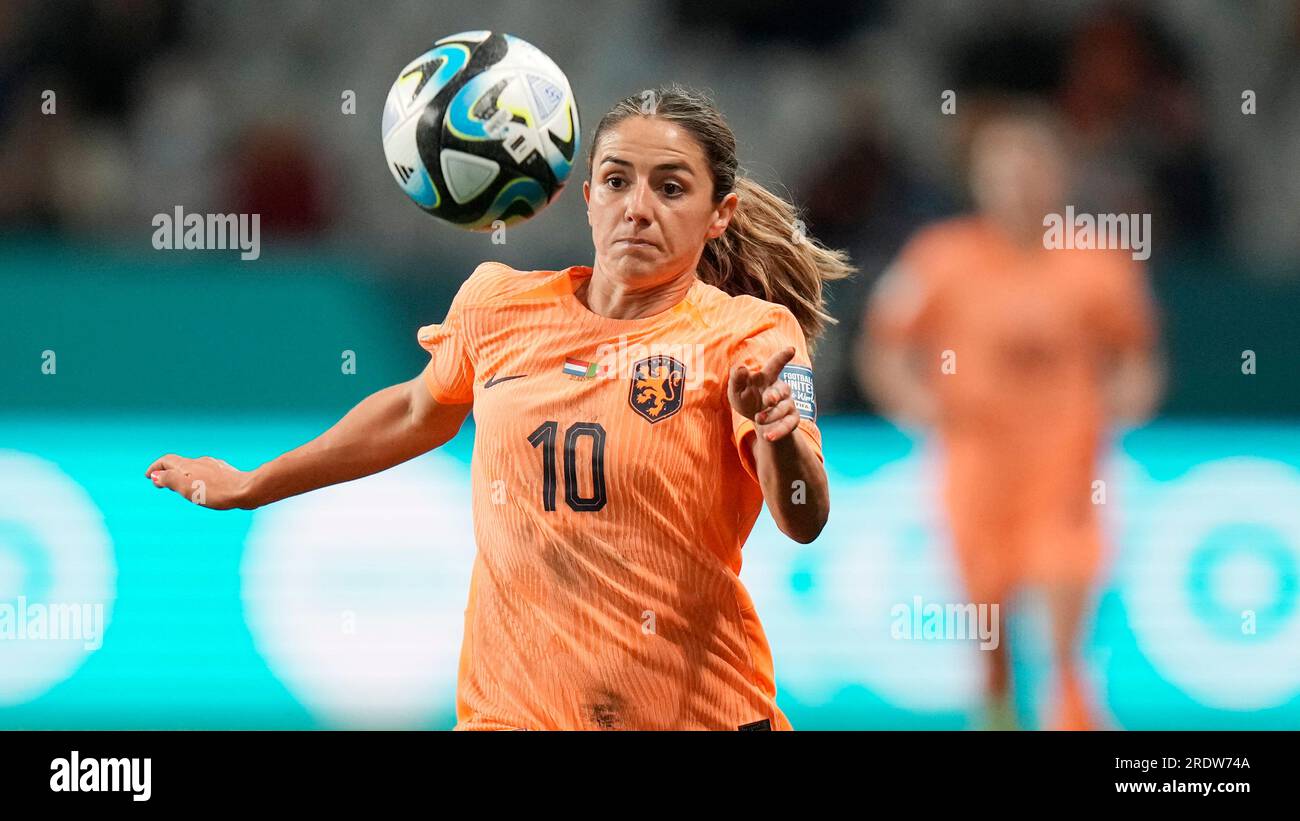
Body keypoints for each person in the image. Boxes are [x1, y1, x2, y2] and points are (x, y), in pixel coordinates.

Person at [146, 84, 853, 730]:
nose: (637, 207)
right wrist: (255, 484)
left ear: (719, 214)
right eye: (616, 181)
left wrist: (779, 433)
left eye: (671, 188)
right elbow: (416, 412)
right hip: (510, 715)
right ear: (586, 196)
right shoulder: (499, 305)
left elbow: (804, 516)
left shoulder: (750, 334)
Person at [856, 102, 1162, 730]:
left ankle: (1073, 716)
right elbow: (885, 345)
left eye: (1032, 168)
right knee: (988, 624)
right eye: (1003, 170)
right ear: (979, 180)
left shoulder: (1097, 260)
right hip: (976, 465)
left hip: (1066, 465)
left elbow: (1136, 355)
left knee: (1062, 609)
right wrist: (914, 404)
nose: (1018, 184)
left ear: (1059, 177)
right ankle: (997, 716)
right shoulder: (941, 256)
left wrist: (1126, 401)